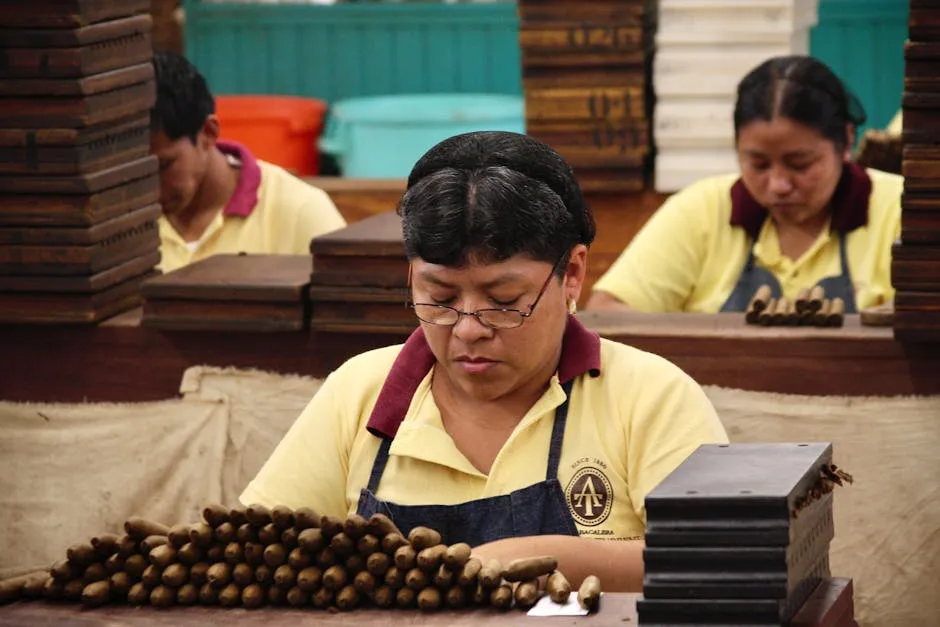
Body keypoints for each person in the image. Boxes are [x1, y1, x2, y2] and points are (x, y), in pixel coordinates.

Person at [240, 131, 728, 591]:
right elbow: (257, 554)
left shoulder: (648, 396)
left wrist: (540, 558)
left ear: (573, 273)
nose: (470, 327)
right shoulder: (360, 393)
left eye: (504, 299)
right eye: (440, 296)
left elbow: (717, 563)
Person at [588, 55, 903, 314]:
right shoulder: (704, 210)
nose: (778, 185)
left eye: (800, 164)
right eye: (759, 164)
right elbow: (608, 312)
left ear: (846, 141)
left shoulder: (899, 209)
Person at [150, 51, 346, 273]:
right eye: (135, 175)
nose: (150, 190)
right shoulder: (119, 227)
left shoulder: (300, 213)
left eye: (163, 166)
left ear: (208, 132)